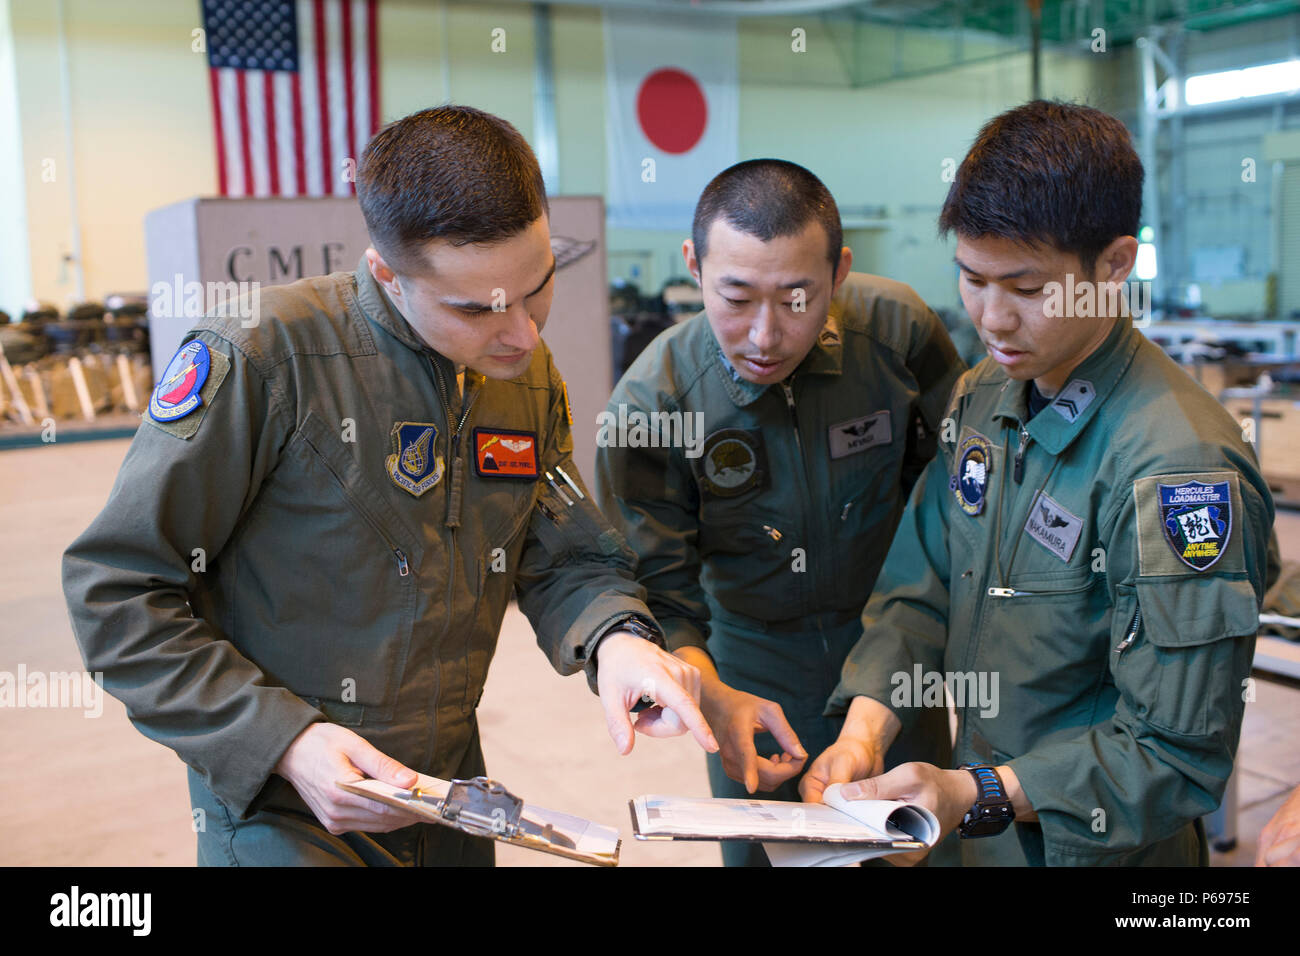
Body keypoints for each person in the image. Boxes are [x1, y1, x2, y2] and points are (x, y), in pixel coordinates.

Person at [61, 105, 715, 867]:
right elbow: (116, 589)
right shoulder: (264, 358)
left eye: (538, 288)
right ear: (387, 275)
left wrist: (619, 640)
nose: (524, 334)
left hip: (451, 799)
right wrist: (285, 741)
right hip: (287, 808)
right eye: (474, 308)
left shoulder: (520, 374)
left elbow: (564, 554)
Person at [803, 100, 1280, 866]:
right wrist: (864, 732)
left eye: (1026, 290)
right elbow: (924, 584)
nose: (992, 319)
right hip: (982, 834)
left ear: (1114, 265)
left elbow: (1175, 750)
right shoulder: (986, 395)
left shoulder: (1178, 472)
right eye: (971, 278)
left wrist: (978, 794)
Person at [593, 159, 964, 866]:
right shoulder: (653, 408)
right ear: (692, 265)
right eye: (735, 298)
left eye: (798, 299)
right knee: (765, 855)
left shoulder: (899, 337)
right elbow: (659, 591)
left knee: (918, 847)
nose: (765, 336)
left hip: (893, 639)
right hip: (746, 668)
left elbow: (946, 504)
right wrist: (710, 693)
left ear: (841, 270)